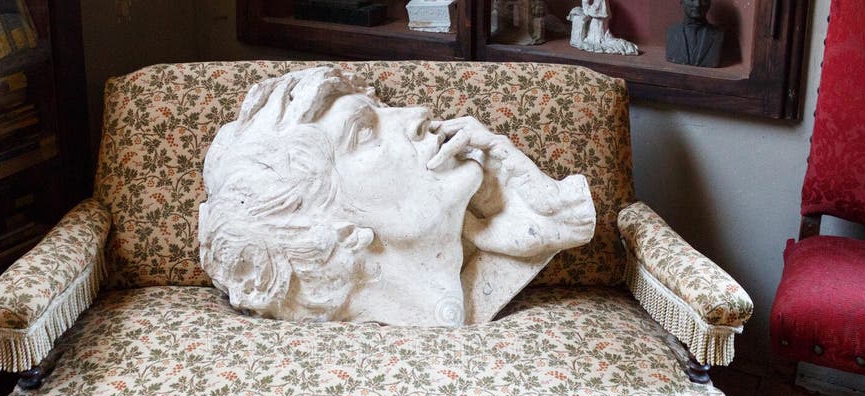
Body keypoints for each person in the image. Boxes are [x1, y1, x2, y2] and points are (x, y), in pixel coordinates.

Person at [198, 66, 595, 326]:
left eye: (382, 111)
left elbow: (565, 222)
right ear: (334, 228)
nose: (418, 113)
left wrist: (524, 189)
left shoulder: (495, 231)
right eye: (365, 132)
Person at [666, 0, 724, 67]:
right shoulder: (672, 32)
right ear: (681, 1)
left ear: (709, 3)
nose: (697, 4)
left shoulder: (718, 34)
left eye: (703, 0)